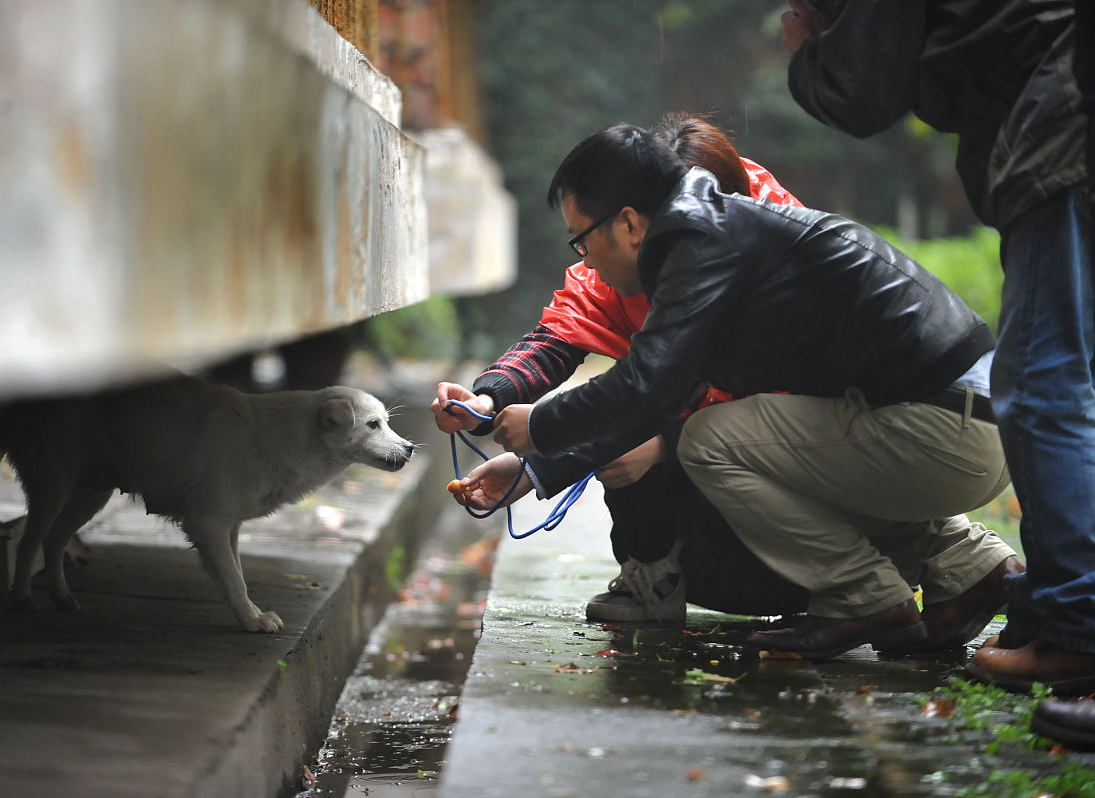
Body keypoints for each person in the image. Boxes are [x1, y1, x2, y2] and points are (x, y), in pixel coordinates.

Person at [471, 122, 1021, 660]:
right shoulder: (719, 229)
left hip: (944, 431)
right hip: (971, 424)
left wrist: (540, 431)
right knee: (730, 443)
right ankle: (970, 567)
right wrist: (532, 454)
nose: (583, 258)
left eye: (582, 237)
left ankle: (865, 598)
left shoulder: (702, 246)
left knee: (710, 443)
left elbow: (648, 387)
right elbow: (654, 387)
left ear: (631, 222)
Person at [780, 0, 1095, 692]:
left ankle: (1077, 630)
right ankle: (1050, 618)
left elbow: (863, 90)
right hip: (1060, 114)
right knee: (1053, 381)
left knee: (1045, 386)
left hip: (1066, 122)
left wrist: (806, 49)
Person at [432, 114, 810, 623]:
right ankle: (652, 577)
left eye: (583, 239)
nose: (586, 261)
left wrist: (656, 447)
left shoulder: (780, 263)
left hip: (809, 503)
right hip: (732, 516)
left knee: (647, 434)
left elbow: (772, 415)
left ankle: (866, 582)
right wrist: (487, 400)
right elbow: (560, 334)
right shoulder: (639, 253)